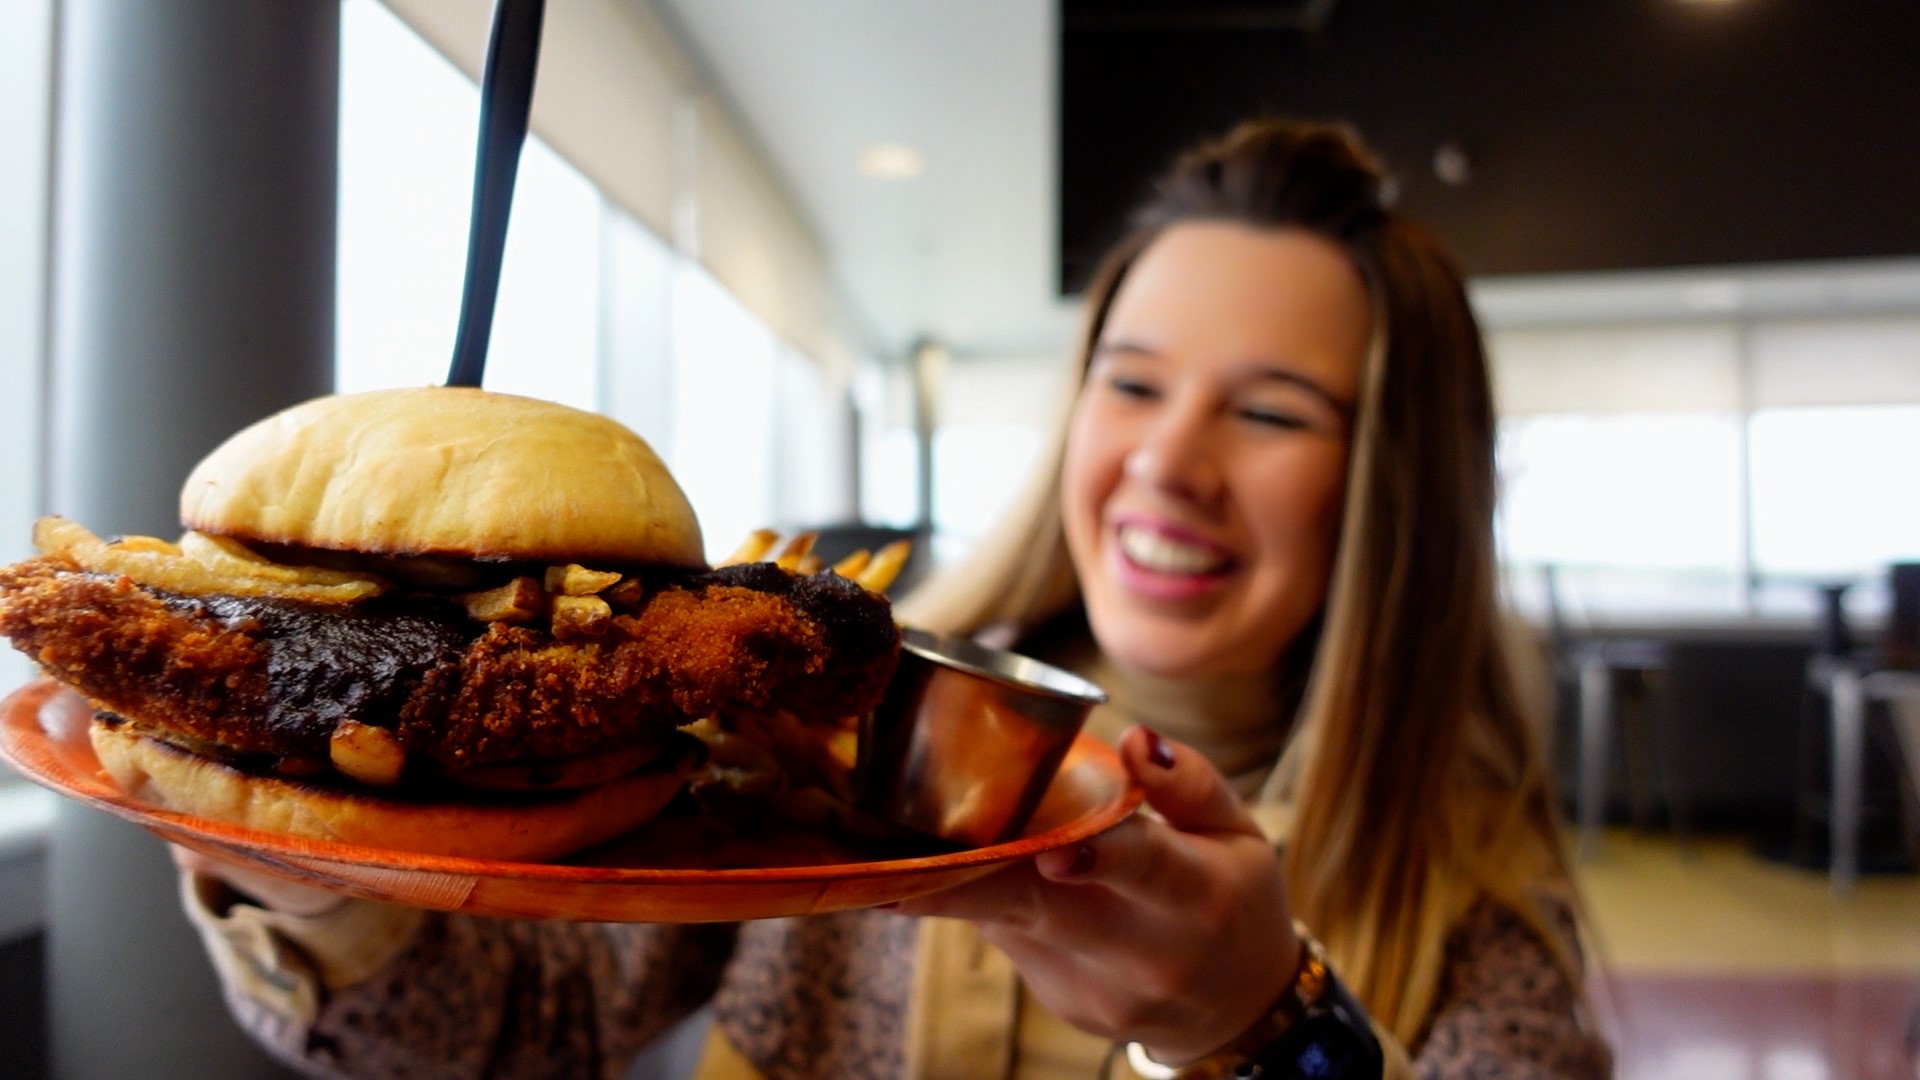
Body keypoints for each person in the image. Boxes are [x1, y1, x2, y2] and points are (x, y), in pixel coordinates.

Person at [174, 119, 1612, 1079]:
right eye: (1132, 382)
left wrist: (1268, 1027)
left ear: (1394, 490)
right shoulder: (825, 744)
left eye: (1276, 414)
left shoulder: (1478, 911)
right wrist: (316, 885)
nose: (1168, 463)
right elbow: (509, 1035)